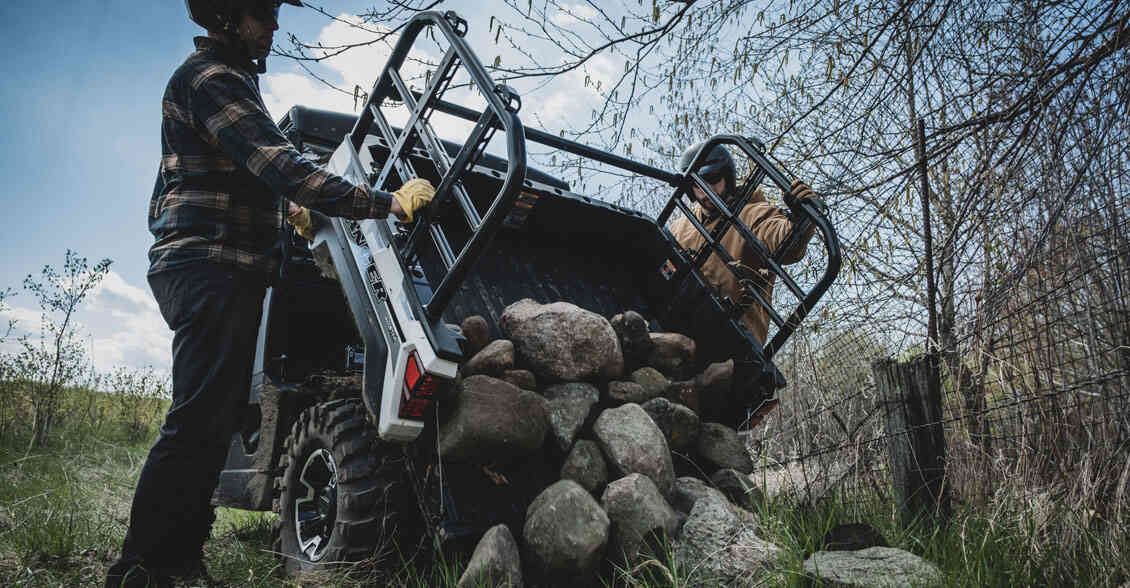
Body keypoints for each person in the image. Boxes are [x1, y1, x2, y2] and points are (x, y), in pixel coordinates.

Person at [105, 1, 435, 586]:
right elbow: (280, 165)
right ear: (229, 17)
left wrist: (293, 211)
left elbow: (260, 179)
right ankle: (142, 565)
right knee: (197, 417)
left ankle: (178, 560)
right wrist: (385, 202)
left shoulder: (234, 83)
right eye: (264, 14)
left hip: (227, 266)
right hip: (208, 263)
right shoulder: (210, 81)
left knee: (212, 418)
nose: (276, 26)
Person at [668, 141, 820, 346]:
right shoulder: (679, 226)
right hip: (676, 320)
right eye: (696, 184)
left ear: (727, 177)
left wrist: (801, 222)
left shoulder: (754, 214)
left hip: (731, 338)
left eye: (712, 179)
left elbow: (783, 241)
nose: (704, 191)